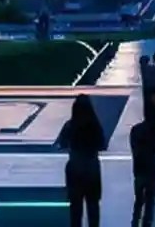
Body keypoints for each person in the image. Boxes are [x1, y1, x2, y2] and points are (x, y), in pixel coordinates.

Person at [55, 94, 107, 227]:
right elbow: (102, 144)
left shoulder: (70, 126)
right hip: (92, 169)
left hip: (75, 169)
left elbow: (61, 143)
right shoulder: (95, 126)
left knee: (75, 209)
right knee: (93, 205)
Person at [130, 92, 155, 227]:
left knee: (138, 201)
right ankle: (146, 224)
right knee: (149, 202)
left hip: (138, 169)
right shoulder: (154, 131)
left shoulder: (135, 130)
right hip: (150, 170)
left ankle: (134, 223)